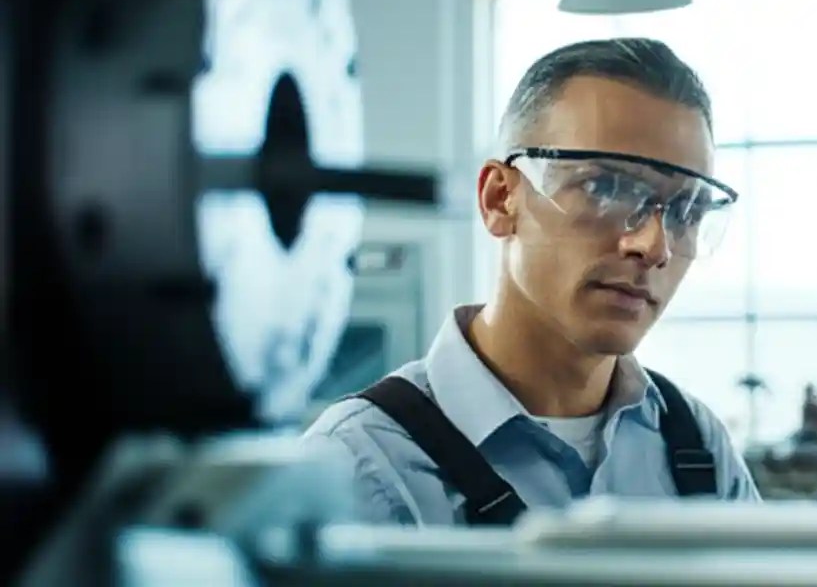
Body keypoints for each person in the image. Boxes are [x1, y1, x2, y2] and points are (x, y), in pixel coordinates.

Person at [304, 37, 761, 526]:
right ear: (501, 199)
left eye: (685, 211)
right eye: (605, 188)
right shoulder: (357, 468)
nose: (653, 246)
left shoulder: (697, 450)